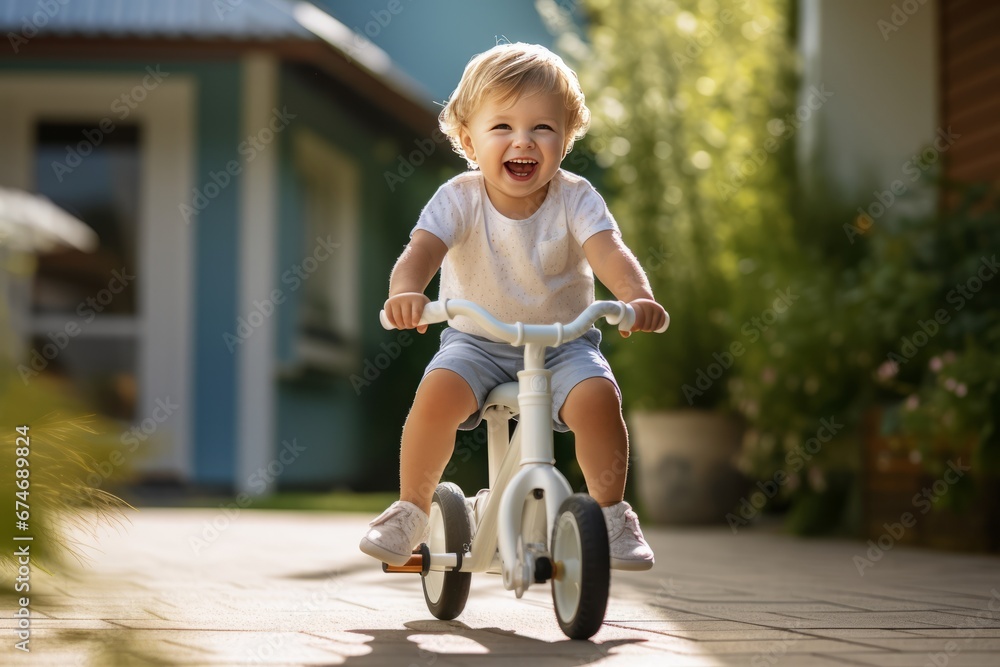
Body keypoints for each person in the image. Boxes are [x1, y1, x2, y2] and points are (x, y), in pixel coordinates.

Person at [359, 42, 668, 571]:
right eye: (501, 127)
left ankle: (612, 515)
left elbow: (609, 252)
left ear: (566, 139)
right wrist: (406, 294)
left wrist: (636, 297)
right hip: (475, 341)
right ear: (468, 140)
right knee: (435, 397)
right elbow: (421, 252)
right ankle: (411, 509)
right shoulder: (459, 197)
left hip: (563, 343)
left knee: (599, 399)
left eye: (542, 128)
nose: (522, 141)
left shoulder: (576, 198)